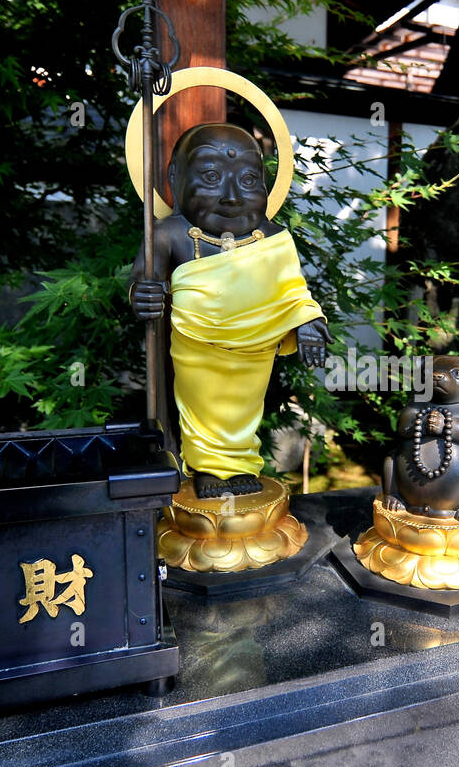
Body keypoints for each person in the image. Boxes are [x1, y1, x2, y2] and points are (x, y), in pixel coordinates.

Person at [131, 123, 331, 499]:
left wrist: (307, 322)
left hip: (255, 351)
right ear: (175, 177)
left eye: (249, 179)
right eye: (210, 176)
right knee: (202, 407)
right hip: (198, 352)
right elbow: (143, 278)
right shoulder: (168, 234)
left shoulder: (272, 238)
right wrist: (141, 293)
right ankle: (207, 468)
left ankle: (238, 465)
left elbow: (293, 290)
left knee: (244, 411)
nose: (232, 196)